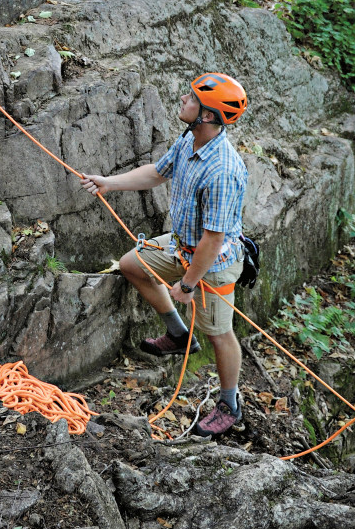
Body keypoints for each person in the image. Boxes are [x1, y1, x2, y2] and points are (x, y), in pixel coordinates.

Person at [82, 73, 249, 437]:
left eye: (192, 99)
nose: (184, 101)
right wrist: (109, 183)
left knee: (219, 333)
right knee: (132, 265)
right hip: (181, 246)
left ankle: (230, 403)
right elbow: (157, 174)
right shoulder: (190, 138)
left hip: (211, 263)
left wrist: (188, 286)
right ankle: (179, 334)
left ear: (206, 116)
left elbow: (213, 240)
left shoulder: (222, 170)